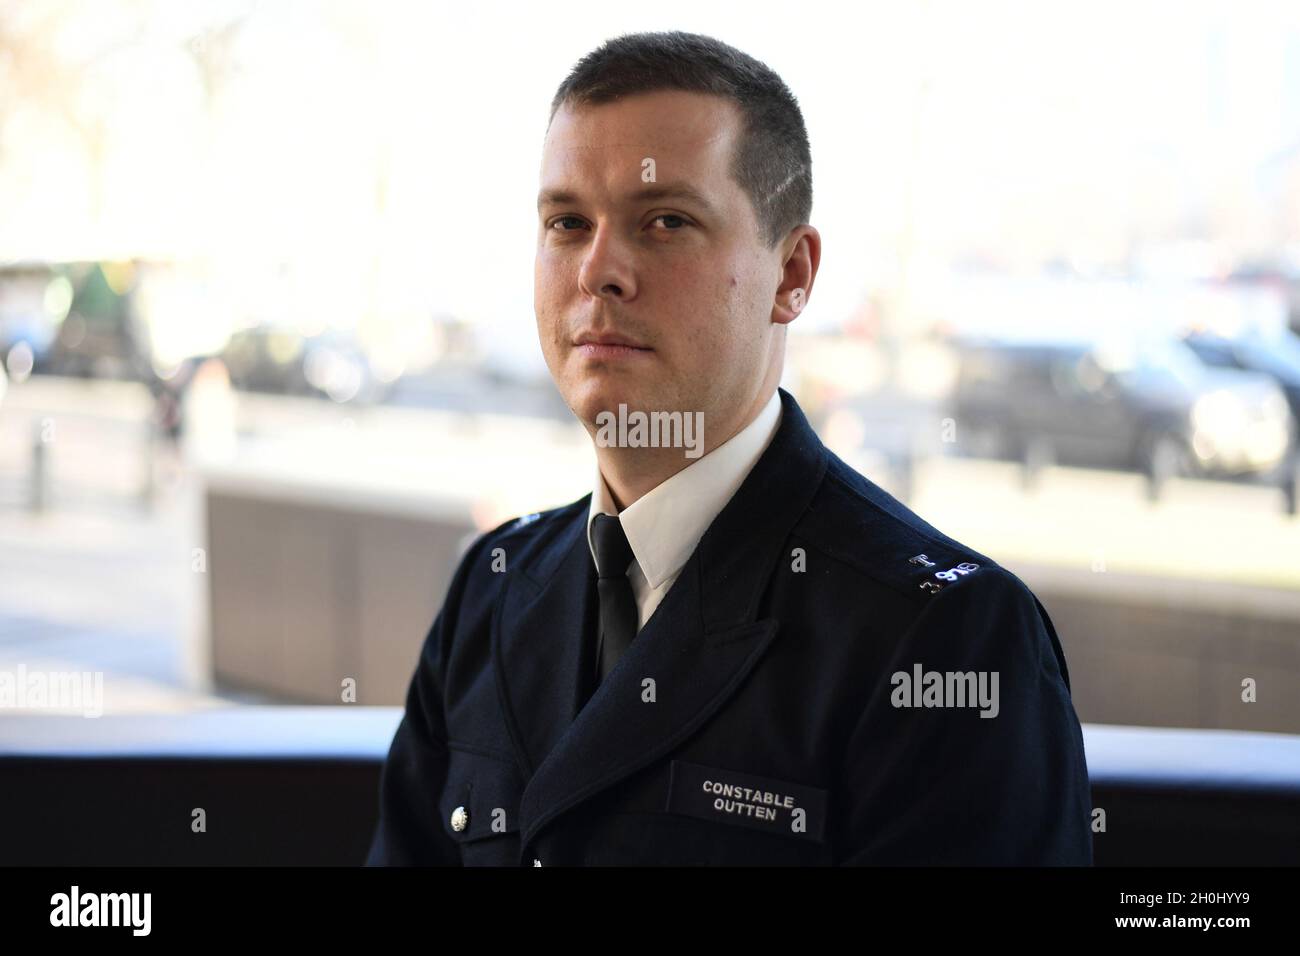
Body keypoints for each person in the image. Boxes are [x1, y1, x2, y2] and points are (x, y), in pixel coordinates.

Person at [365, 31, 1092, 866]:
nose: (598, 270)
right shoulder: (492, 590)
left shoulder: (945, 637)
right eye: (567, 222)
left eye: (665, 221)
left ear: (793, 275)